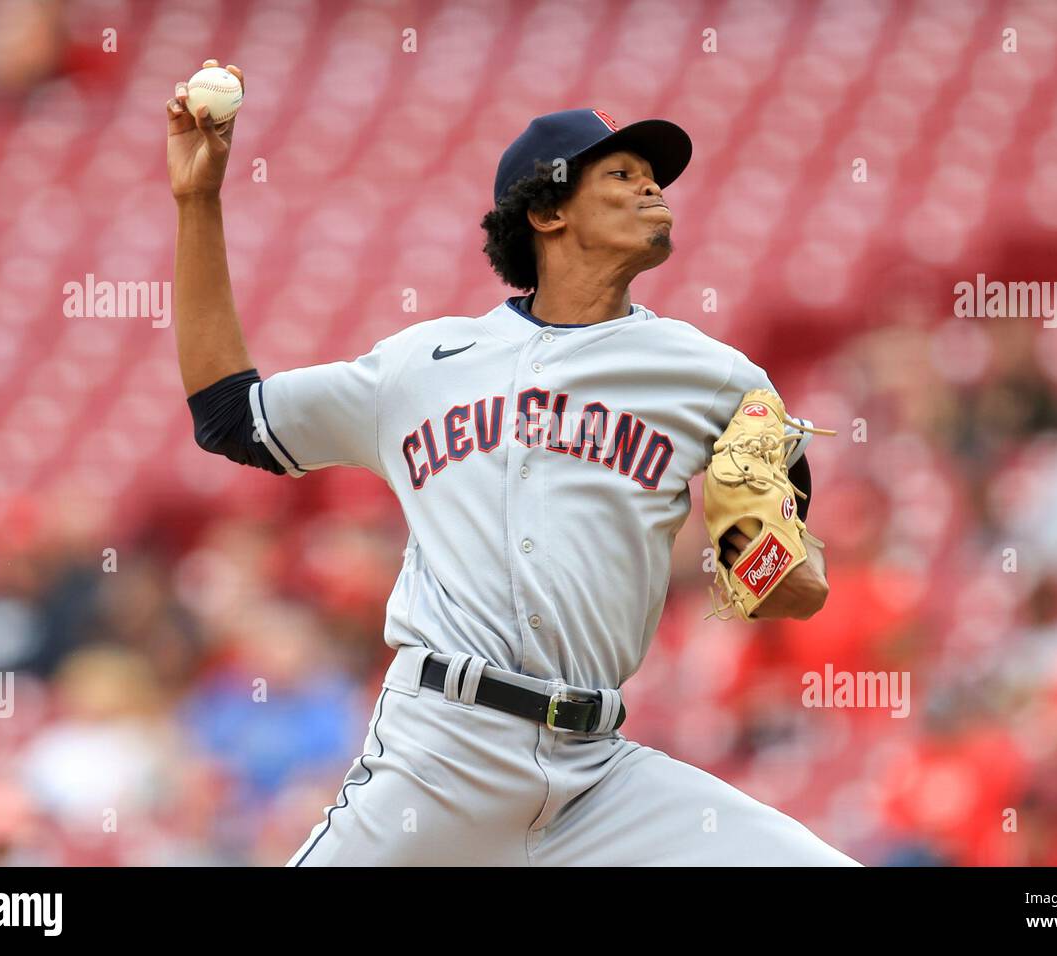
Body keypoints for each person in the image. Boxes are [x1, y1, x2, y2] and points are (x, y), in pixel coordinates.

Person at [166, 60, 859, 866]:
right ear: (548, 209)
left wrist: (777, 558)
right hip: (441, 755)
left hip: (598, 779)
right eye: (624, 174)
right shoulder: (421, 365)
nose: (654, 190)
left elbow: (790, 582)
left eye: (655, 178)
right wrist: (198, 202)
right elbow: (229, 415)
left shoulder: (718, 379)